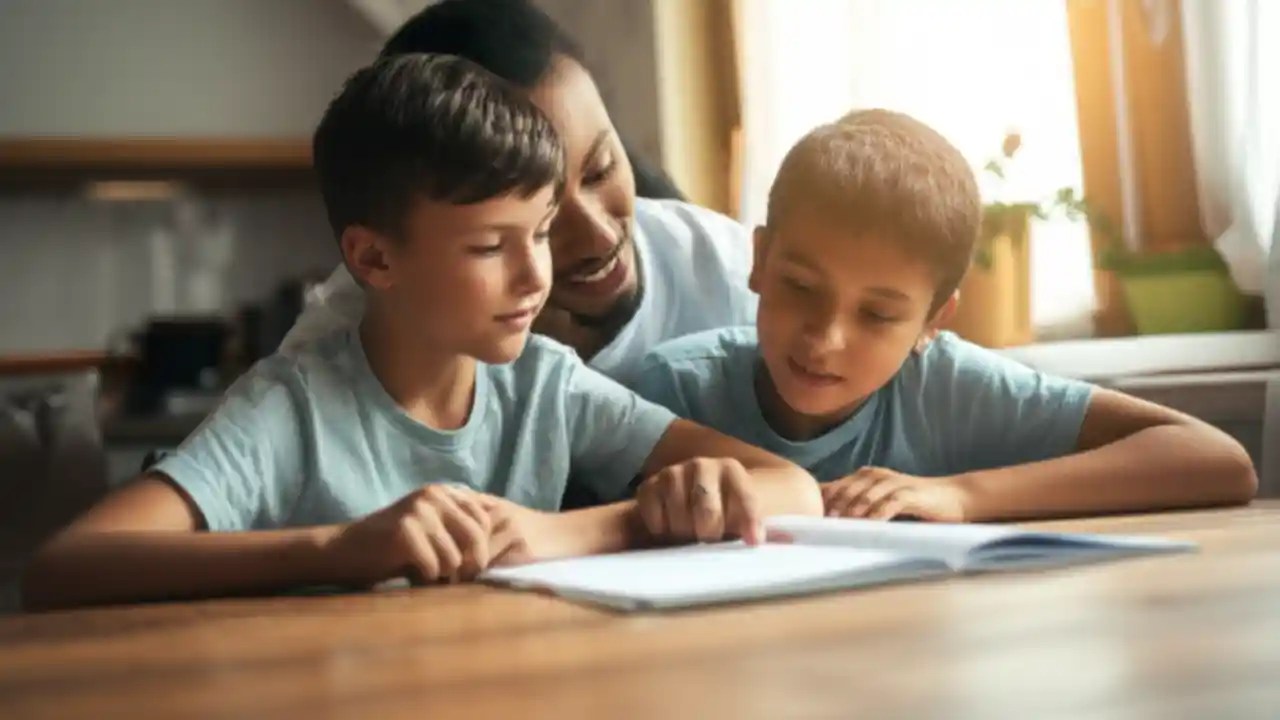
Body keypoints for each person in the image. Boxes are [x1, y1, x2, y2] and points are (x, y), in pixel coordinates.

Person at [21, 55, 822, 611]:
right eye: (487, 246)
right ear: (373, 257)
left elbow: (796, 489)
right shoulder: (294, 408)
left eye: (539, 232)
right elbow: (63, 569)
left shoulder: (546, 383)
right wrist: (337, 551)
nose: (534, 275)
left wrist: (574, 529)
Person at [632, 109, 1258, 523]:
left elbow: (1217, 460)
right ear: (761, 260)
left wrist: (961, 495)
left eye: (878, 315)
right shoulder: (672, 388)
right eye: (800, 286)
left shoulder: (946, 388)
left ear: (934, 322)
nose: (825, 340)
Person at [282, 0, 756, 389]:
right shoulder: (350, 349)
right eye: (541, 217)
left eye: (600, 170)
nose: (596, 237)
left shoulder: (737, 280)